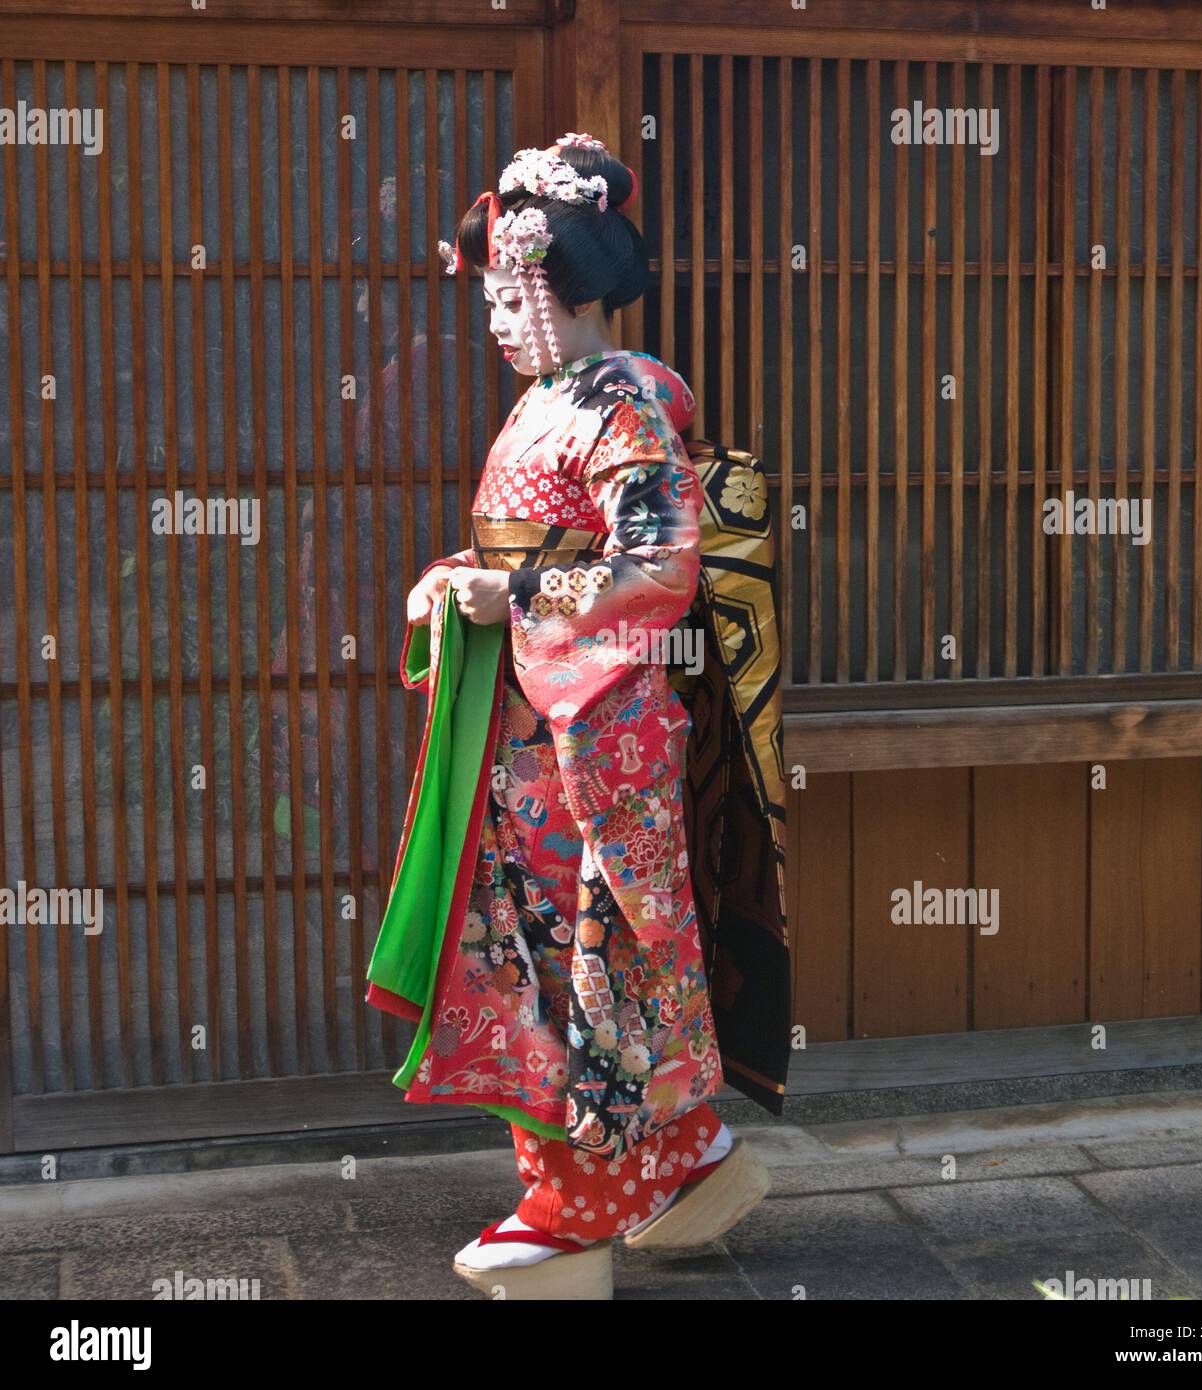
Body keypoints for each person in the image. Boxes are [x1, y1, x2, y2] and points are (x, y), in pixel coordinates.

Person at [366, 133, 787, 1300]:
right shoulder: (553, 401)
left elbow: (658, 567)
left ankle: (578, 1203)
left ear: (563, 287)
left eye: (512, 295)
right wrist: (464, 577)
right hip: (536, 717)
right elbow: (536, 553)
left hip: (593, 730)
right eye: (493, 297)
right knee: (556, 940)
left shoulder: (626, 394)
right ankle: (684, 1155)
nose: (496, 318)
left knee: (577, 949)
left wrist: (517, 592)